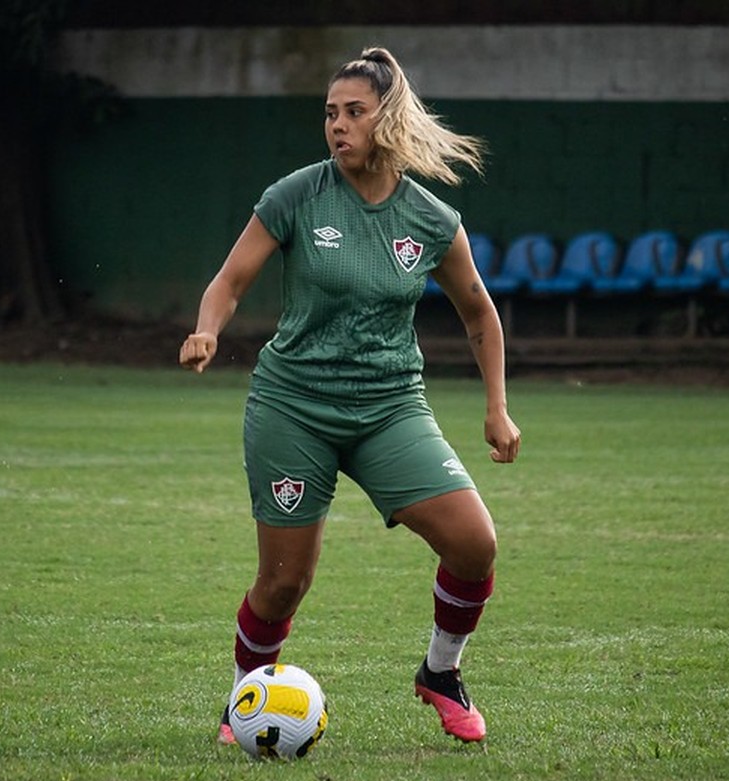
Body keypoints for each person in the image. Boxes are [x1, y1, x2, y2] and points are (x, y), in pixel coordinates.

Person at [179, 46, 521, 745]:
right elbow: (231, 280)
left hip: (390, 407)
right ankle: (247, 699)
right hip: (292, 407)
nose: (338, 125)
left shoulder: (430, 220)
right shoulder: (297, 195)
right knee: (282, 584)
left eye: (353, 112)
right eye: (330, 113)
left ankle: (441, 672)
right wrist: (207, 329)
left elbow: (480, 313)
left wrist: (496, 406)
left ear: (387, 119)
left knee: (475, 542)